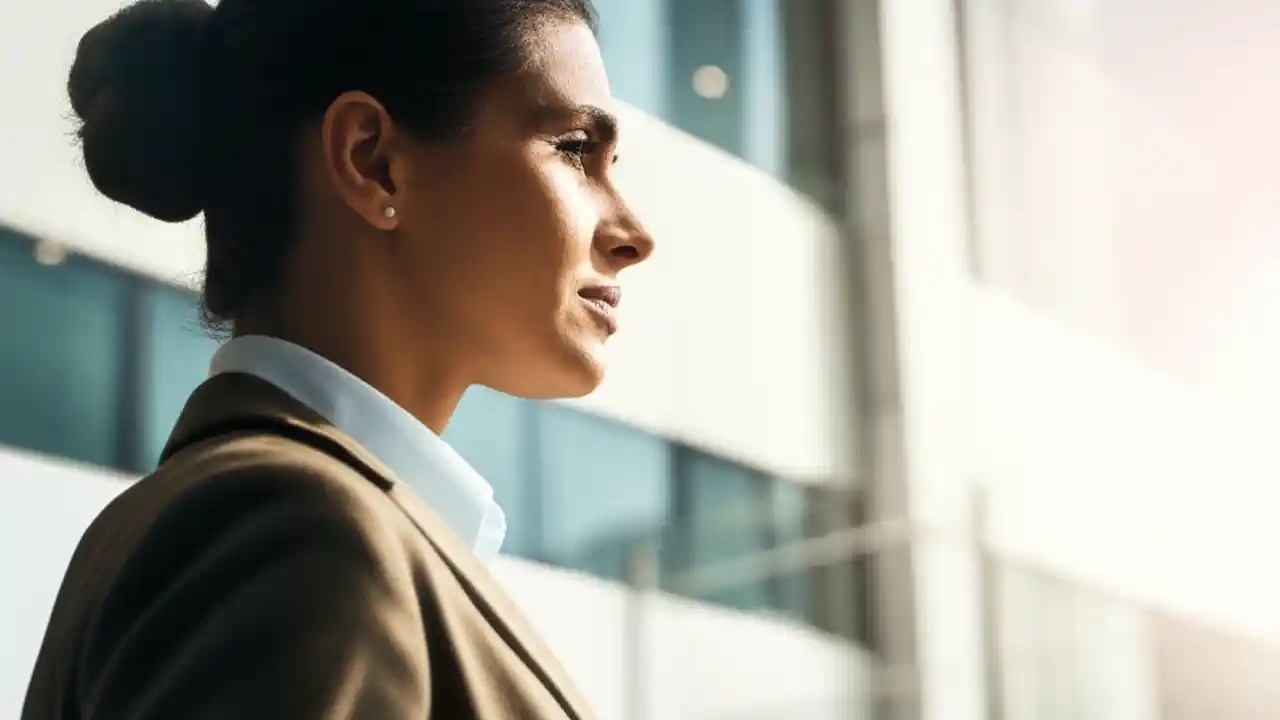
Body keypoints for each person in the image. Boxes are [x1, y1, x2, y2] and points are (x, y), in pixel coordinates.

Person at [21, 0, 653, 717]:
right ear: (372, 161)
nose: (635, 234)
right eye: (575, 148)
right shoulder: (299, 530)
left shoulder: (254, 519)